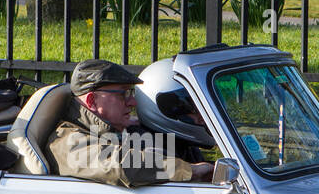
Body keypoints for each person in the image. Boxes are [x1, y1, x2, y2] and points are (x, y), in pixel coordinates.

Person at [45, 59, 215, 186]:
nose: (132, 102)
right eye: (122, 94)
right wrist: (190, 171)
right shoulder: (66, 142)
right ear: (92, 101)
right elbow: (121, 165)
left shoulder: (115, 130)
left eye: (130, 93)